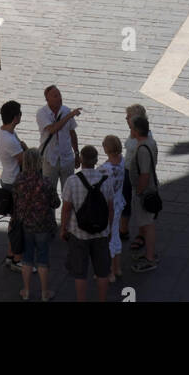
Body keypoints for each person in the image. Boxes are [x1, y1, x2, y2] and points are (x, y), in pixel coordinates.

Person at [60, 145, 114, 302]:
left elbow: (66, 209)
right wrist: (109, 228)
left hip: (79, 233)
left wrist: (63, 229)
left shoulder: (72, 181)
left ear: (81, 160)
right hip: (101, 232)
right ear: (96, 161)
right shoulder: (107, 181)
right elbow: (111, 209)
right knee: (103, 272)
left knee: (80, 273)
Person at [12, 147, 58, 302]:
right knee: (43, 259)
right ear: (39, 162)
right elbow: (55, 203)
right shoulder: (45, 182)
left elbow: (15, 201)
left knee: (27, 259)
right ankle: (45, 292)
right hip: (43, 225)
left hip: (26, 225)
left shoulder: (19, 180)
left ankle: (26, 291)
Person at [0, 100, 27, 270]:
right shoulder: (10, 140)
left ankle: (10, 255)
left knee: (14, 221)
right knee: (18, 224)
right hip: (14, 183)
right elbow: (25, 159)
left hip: (7, 179)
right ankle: (17, 259)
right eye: (20, 114)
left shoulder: (2, 132)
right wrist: (28, 150)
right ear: (15, 118)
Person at [121, 104, 156, 254]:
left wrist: (140, 190)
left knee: (142, 212)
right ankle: (123, 230)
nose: (126, 119)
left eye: (128, 117)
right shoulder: (135, 134)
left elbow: (145, 171)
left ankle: (144, 242)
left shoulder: (142, 144)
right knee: (125, 202)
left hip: (138, 180)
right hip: (128, 173)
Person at [128, 115, 160, 272]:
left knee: (148, 225)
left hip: (145, 193)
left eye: (131, 128)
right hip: (149, 190)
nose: (130, 130)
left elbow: (145, 174)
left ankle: (150, 258)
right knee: (148, 224)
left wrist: (139, 192)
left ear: (136, 131)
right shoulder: (151, 143)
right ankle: (149, 253)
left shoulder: (142, 149)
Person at [36, 85, 81, 194]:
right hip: (50, 159)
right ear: (47, 99)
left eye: (59, 95)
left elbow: (72, 133)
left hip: (66, 158)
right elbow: (52, 129)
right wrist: (70, 115)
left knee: (69, 194)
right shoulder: (42, 113)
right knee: (48, 194)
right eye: (55, 96)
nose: (59, 98)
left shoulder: (65, 111)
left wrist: (76, 153)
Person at [98, 135, 126, 281]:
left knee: (107, 239)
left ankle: (109, 272)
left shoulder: (104, 169)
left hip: (107, 208)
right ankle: (118, 268)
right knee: (115, 236)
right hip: (118, 203)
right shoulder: (122, 161)